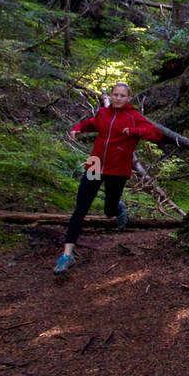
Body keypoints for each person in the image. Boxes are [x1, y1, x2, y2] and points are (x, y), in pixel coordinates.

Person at [57, 82, 162, 274]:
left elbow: (156, 134)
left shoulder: (134, 117)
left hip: (118, 168)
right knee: (80, 209)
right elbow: (91, 124)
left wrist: (135, 131)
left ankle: (118, 207)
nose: (118, 98)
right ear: (111, 96)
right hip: (95, 165)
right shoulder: (104, 113)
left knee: (108, 211)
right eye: (115, 95)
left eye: (123, 95)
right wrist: (78, 127)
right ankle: (67, 255)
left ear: (129, 98)